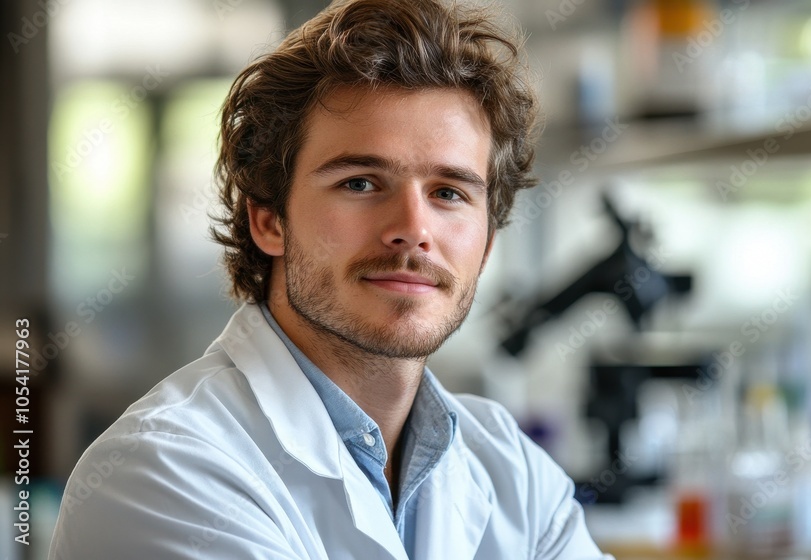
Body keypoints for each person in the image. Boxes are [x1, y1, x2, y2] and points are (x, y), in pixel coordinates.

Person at [48, 0, 612, 558]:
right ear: (268, 220)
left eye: (448, 193)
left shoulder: (516, 473)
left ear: (486, 244)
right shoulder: (162, 471)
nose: (414, 230)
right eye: (360, 183)